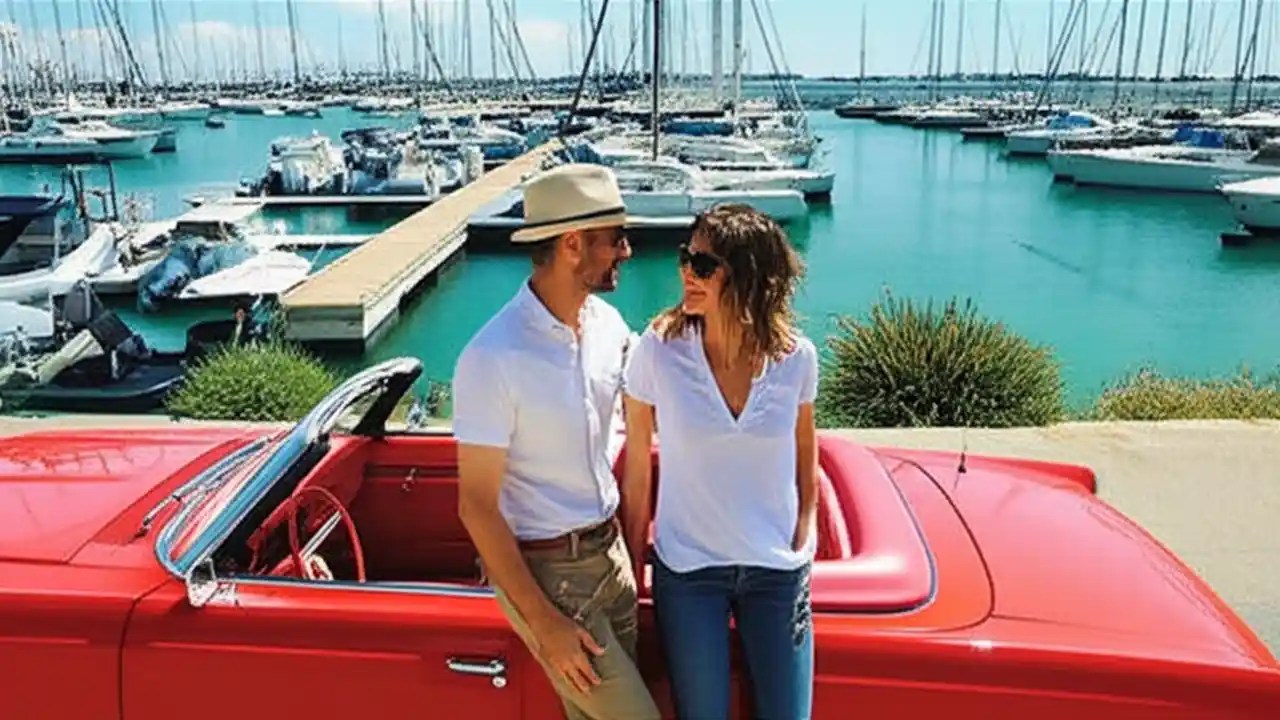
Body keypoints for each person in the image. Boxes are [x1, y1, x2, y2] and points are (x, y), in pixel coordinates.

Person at [452, 163, 660, 720]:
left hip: (610, 560)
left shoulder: (609, 327)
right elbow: (475, 507)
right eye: (615, 238)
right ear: (572, 244)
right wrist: (544, 624)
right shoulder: (492, 357)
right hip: (553, 580)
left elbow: (655, 393)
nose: (627, 251)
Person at [621, 204, 819, 720]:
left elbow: (805, 445)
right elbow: (637, 461)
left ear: (749, 277)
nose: (687, 271)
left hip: (777, 571)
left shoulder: (797, 358)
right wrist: (632, 563)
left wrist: (806, 521)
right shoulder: (658, 351)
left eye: (704, 265)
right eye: (686, 257)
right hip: (689, 572)